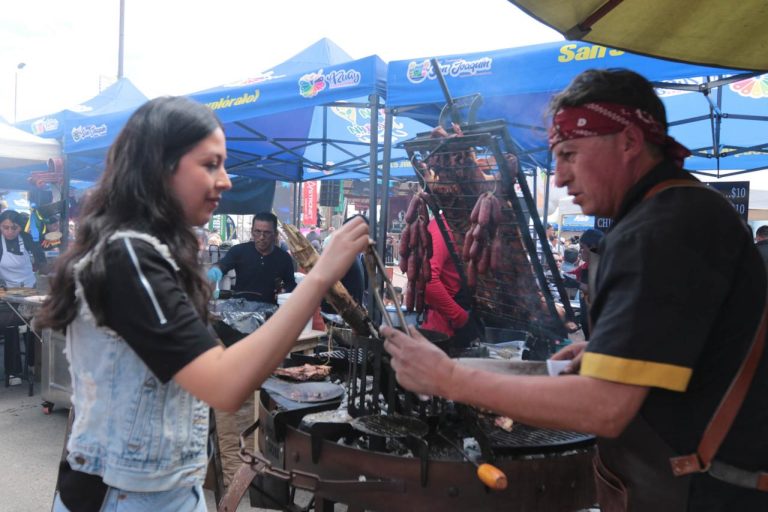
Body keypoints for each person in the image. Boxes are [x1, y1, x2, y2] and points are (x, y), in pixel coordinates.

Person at [383, 69, 768, 510]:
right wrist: (606, 351)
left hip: (712, 494)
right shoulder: (685, 207)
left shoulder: (658, 230)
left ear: (628, 141)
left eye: (569, 154)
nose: (560, 177)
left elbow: (603, 408)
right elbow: (706, 339)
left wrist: (448, 378)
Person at [34, 96, 370, 512]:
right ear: (160, 166)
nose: (226, 180)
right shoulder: (126, 257)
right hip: (124, 497)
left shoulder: (150, 253)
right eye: (211, 164)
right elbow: (223, 384)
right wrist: (319, 277)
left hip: (159, 491)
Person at [207, 212, 297, 303]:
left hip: (270, 310)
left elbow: (291, 284)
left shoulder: (283, 258)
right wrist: (216, 270)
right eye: (257, 231)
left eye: (267, 233)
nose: (262, 237)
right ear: (252, 231)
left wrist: (284, 291)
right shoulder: (239, 251)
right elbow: (224, 264)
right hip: (241, 309)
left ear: (275, 234)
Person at [0, 209, 48, 288]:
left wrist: (41, 266)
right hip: (5, 288)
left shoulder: (27, 238)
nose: (10, 231)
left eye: (14, 228)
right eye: (5, 227)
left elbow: (41, 259)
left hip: (28, 286)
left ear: (20, 227)